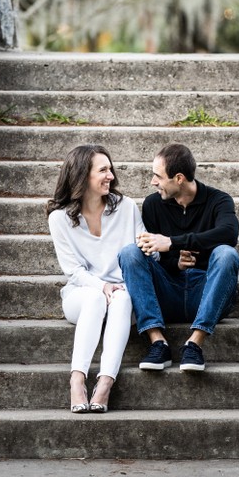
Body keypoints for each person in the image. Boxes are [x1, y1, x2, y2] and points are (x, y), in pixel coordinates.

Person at [118, 142, 239, 372]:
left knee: (226, 254)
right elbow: (153, 257)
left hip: (207, 294)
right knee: (130, 252)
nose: (153, 182)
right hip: (168, 293)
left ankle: (194, 344)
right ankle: (157, 342)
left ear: (179, 178)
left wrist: (173, 242)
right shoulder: (154, 204)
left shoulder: (219, 200)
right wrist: (175, 262)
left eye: (158, 176)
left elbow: (229, 234)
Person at [47, 144, 145, 413]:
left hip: (123, 295)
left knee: (123, 298)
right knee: (94, 298)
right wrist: (102, 286)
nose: (111, 175)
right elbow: (74, 272)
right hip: (82, 293)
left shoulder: (126, 207)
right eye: (103, 170)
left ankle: (105, 383)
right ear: (82, 176)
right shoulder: (59, 219)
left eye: (110, 169)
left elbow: (142, 252)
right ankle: (77, 379)